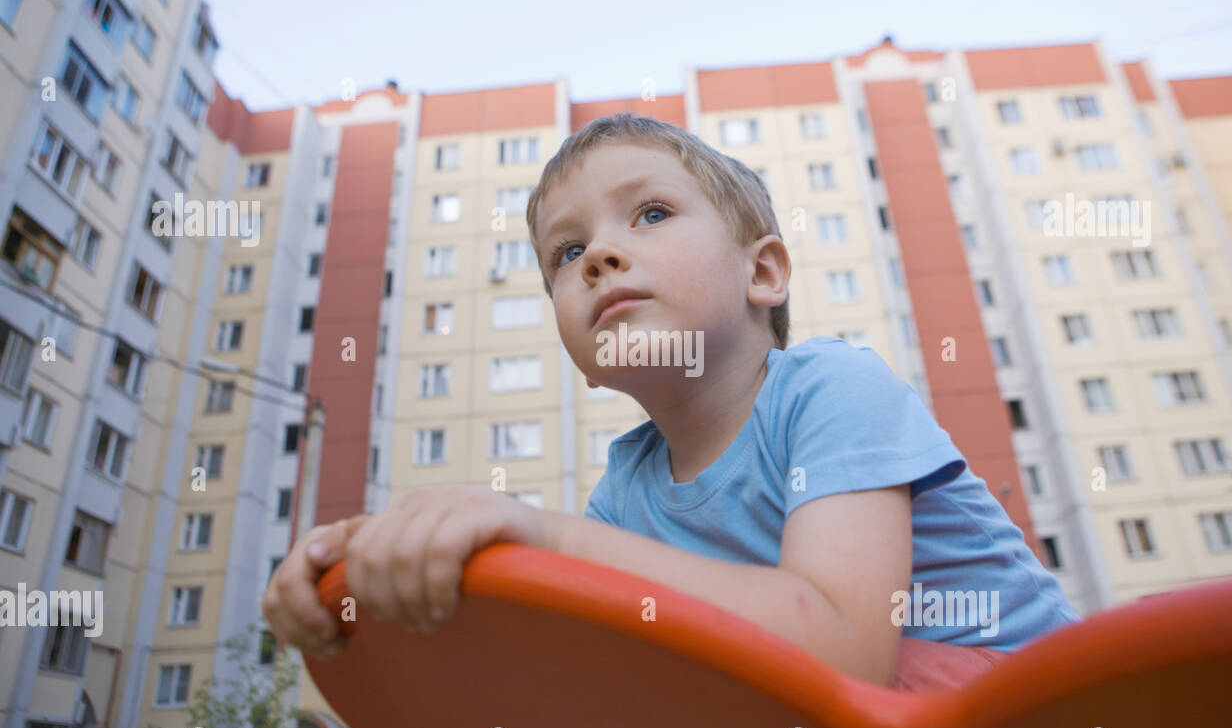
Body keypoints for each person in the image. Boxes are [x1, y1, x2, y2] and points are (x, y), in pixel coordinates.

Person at [264, 112, 1081, 690]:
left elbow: (839, 651)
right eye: (568, 250)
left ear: (762, 273)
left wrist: (545, 534)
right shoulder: (623, 498)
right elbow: (592, 681)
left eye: (650, 213)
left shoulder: (833, 389)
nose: (600, 255)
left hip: (1031, 723)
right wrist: (375, 564)